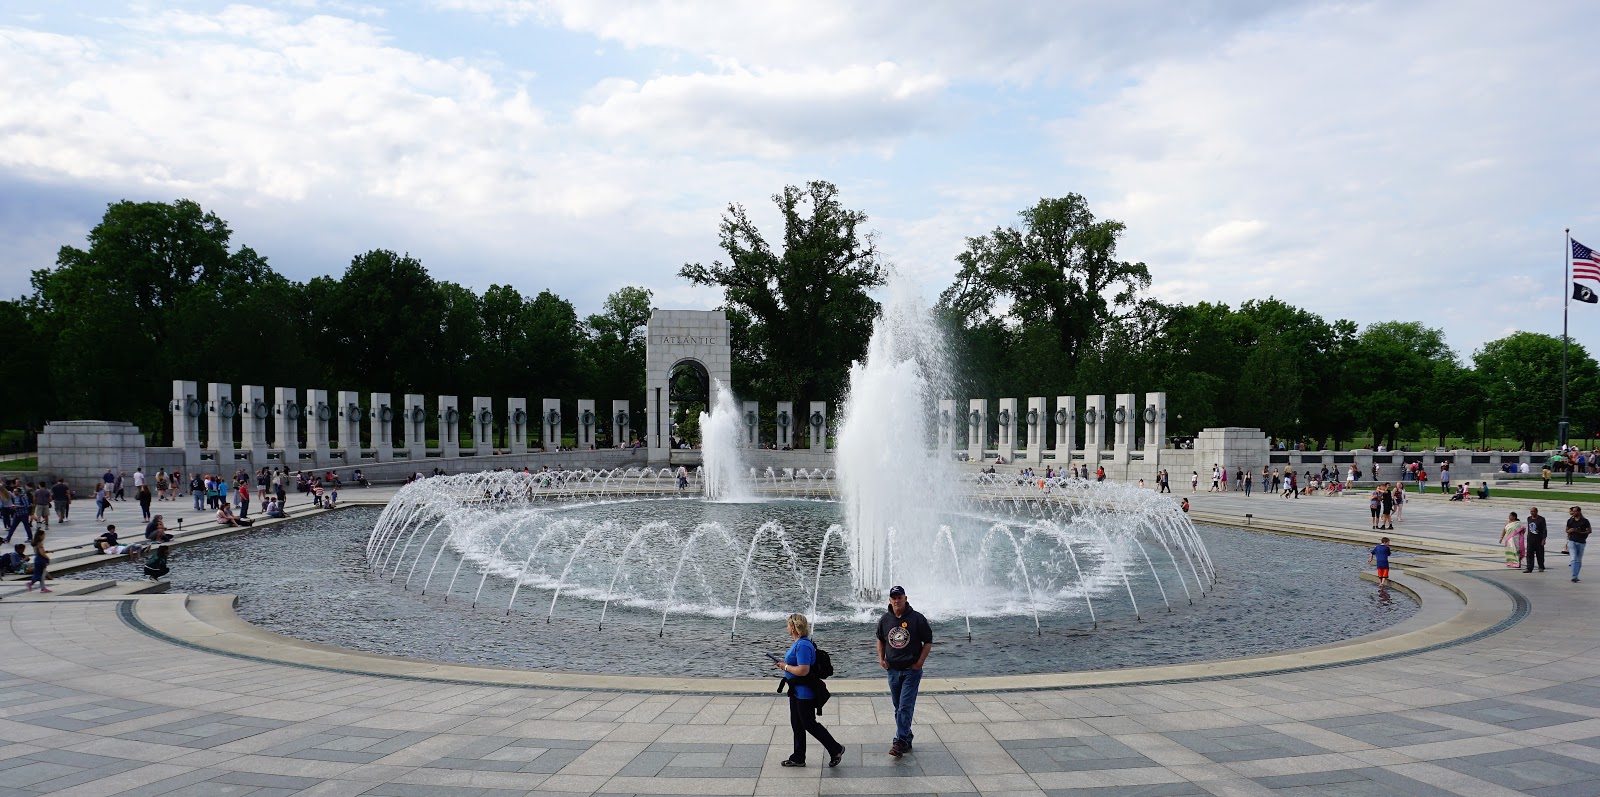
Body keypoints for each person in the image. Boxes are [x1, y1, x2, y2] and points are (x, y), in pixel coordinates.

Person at [774, 613, 844, 768]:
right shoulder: (799, 643)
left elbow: (803, 670)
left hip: (805, 692)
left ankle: (836, 749)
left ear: (793, 627)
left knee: (809, 723)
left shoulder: (803, 645)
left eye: (788, 625)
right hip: (796, 690)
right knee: (797, 724)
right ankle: (798, 757)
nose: (787, 627)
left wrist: (785, 666)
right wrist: (783, 665)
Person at [877, 585, 932, 757]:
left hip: (911, 671)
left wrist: (919, 662)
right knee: (898, 707)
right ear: (890, 600)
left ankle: (899, 742)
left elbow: (928, 642)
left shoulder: (917, 619)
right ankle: (907, 737)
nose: (896, 601)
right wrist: (881, 659)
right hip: (893, 671)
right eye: (894, 598)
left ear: (905, 598)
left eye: (899, 597)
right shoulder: (885, 619)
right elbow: (880, 639)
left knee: (904, 707)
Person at [1567, 506, 1591, 582]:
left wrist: (1580, 532)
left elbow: (1589, 531)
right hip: (1572, 541)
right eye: (1573, 511)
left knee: (1578, 560)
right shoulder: (1570, 520)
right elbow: (1567, 529)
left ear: (1579, 512)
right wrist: (1569, 531)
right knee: (1573, 558)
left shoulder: (1585, 521)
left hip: (1581, 541)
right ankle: (1574, 576)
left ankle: (1576, 575)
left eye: (1575, 511)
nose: (1573, 513)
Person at [1524, 507, 1548, 572]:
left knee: (1540, 554)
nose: (1532, 513)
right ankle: (1529, 568)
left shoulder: (1541, 519)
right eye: (1531, 511)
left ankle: (1541, 567)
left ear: (1537, 512)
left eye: (1533, 511)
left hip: (1539, 540)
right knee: (1529, 554)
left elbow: (1544, 529)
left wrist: (1544, 539)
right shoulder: (1529, 518)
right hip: (1530, 540)